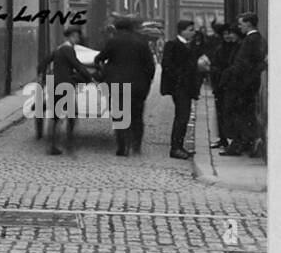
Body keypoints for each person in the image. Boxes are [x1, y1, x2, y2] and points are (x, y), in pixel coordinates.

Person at [96, 15, 155, 156]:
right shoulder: (142, 41)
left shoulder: (113, 41)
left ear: (117, 27)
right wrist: (147, 82)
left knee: (119, 115)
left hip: (118, 84)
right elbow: (150, 66)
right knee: (137, 115)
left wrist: (104, 72)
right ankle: (136, 145)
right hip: (138, 86)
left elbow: (99, 58)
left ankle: (122, 146)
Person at [38, 24, 95, 156]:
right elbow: (77, 65)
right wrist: (89, 77)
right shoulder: (68, 50)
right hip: (66, 86)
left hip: (56, 85)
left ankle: (52, 145)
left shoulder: (58, 49)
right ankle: (68, 142)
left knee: (55, 116)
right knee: (72, 115)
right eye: (76, 37)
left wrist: (42, 74)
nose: (78, 40)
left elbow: (44, 62)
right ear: (72, 37)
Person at [222, 13, 266, 157]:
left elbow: (243, 64)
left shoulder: (250, 40)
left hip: (243, 84)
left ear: (248, 24)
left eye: (241, 24)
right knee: (245, 114)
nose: (239, 27)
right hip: (248, 83)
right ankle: (244, 143)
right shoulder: (257, 39)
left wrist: (233, 77)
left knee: (240, 114)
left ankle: (244, 144)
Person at [160, 19, 200, 159]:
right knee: (181, 117)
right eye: (190, 30)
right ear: (182, 31)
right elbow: (167, 64)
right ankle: (175, 148)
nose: (193, 33)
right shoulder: (172, 45)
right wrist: (180, 78)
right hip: (180, 87)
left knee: (184, 116)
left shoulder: (191, 46)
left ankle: (179, 146)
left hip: (188, 88)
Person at [208, 22, 239, 149]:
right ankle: (223, 139)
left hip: (231, 85)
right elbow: (214, 65)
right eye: (225, 34)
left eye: (229, 33)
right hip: (220, 85)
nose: (227, 36)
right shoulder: (220, 49)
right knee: (220, 112)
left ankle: (232, 140)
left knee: (230, 112)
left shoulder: (236, 48)